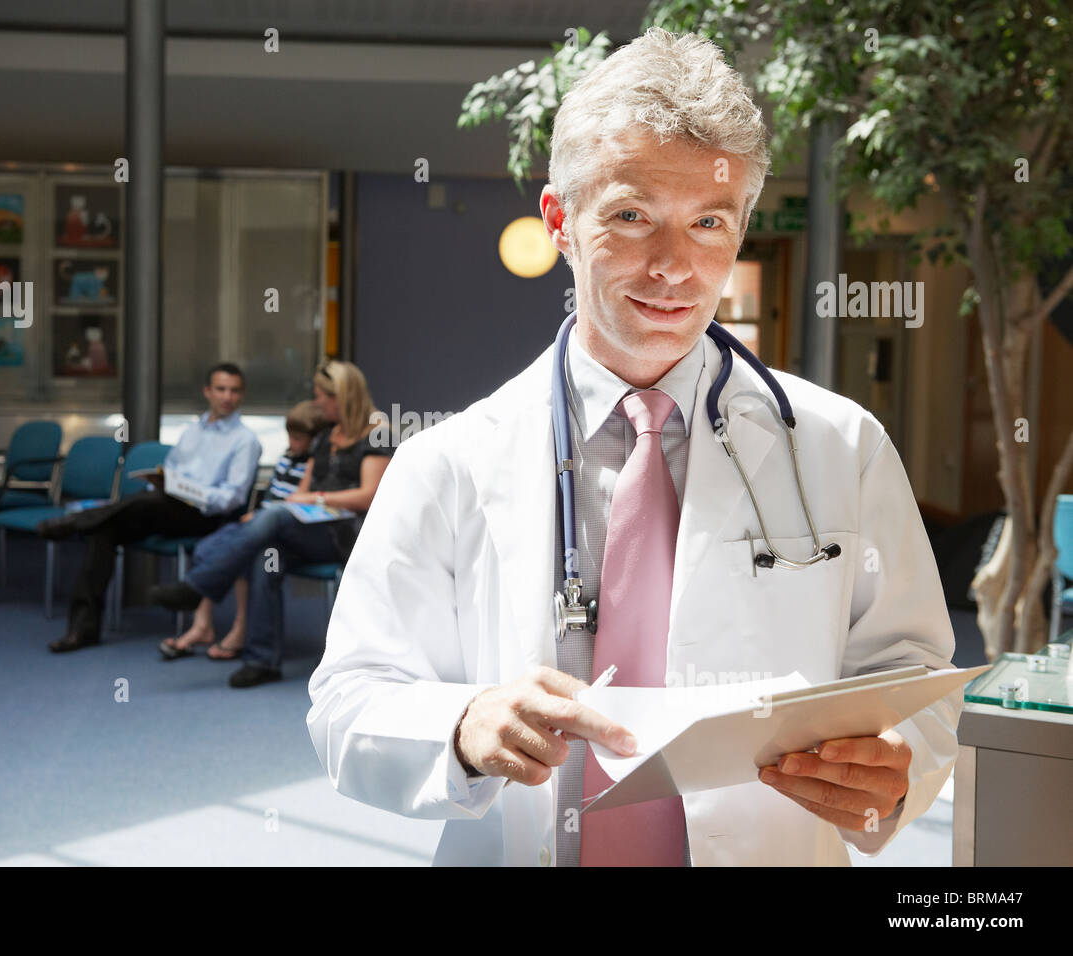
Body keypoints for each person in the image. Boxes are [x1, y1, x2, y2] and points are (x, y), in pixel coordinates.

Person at [306, 27, 960, 866]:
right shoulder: (451, 462)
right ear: (559, 222)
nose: (674, 267)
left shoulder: (842, 445)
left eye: (709, 222)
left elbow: (912, 670)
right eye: (630, 216)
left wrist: (899, 767)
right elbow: (349, 701)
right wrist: (462, 725)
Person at [149, 360, 391, 688]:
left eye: (322, 396)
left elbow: (369, 495)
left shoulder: (375, 433)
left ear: (342, 396)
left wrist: (317, 499)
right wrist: (297, 501)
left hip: (346, 536)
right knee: (268, 553)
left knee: (274, 517)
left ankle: (198, 585)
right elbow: (300, 492)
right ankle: (262, 661)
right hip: (311, 528)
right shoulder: (325, 436)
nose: (317, 402)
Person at [41, 363, 262, 653]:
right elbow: (171, 469)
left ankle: (75, 522)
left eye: (234, 391)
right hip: (168, 507)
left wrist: (194, 493)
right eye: (221, 389)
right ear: (207, 392)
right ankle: (82, 630)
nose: (227, 397)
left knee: (147, 503)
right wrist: (164, 482)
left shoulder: (246, 440)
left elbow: (233, 497)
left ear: (241, 395)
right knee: (104, 531)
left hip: (209, 516)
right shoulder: (193, 431)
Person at [157, 399, 330, 660]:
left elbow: (297, 504)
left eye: (299, 438)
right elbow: (273, 494)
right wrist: (258, 513)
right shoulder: (286, 458)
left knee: (244, 554)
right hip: (262, 519)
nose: (293, 443)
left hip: (286, 528)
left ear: (315, 440)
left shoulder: (316, 465)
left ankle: (238, 629)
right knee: (208, 547)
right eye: (290, 437)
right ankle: (201, 625)